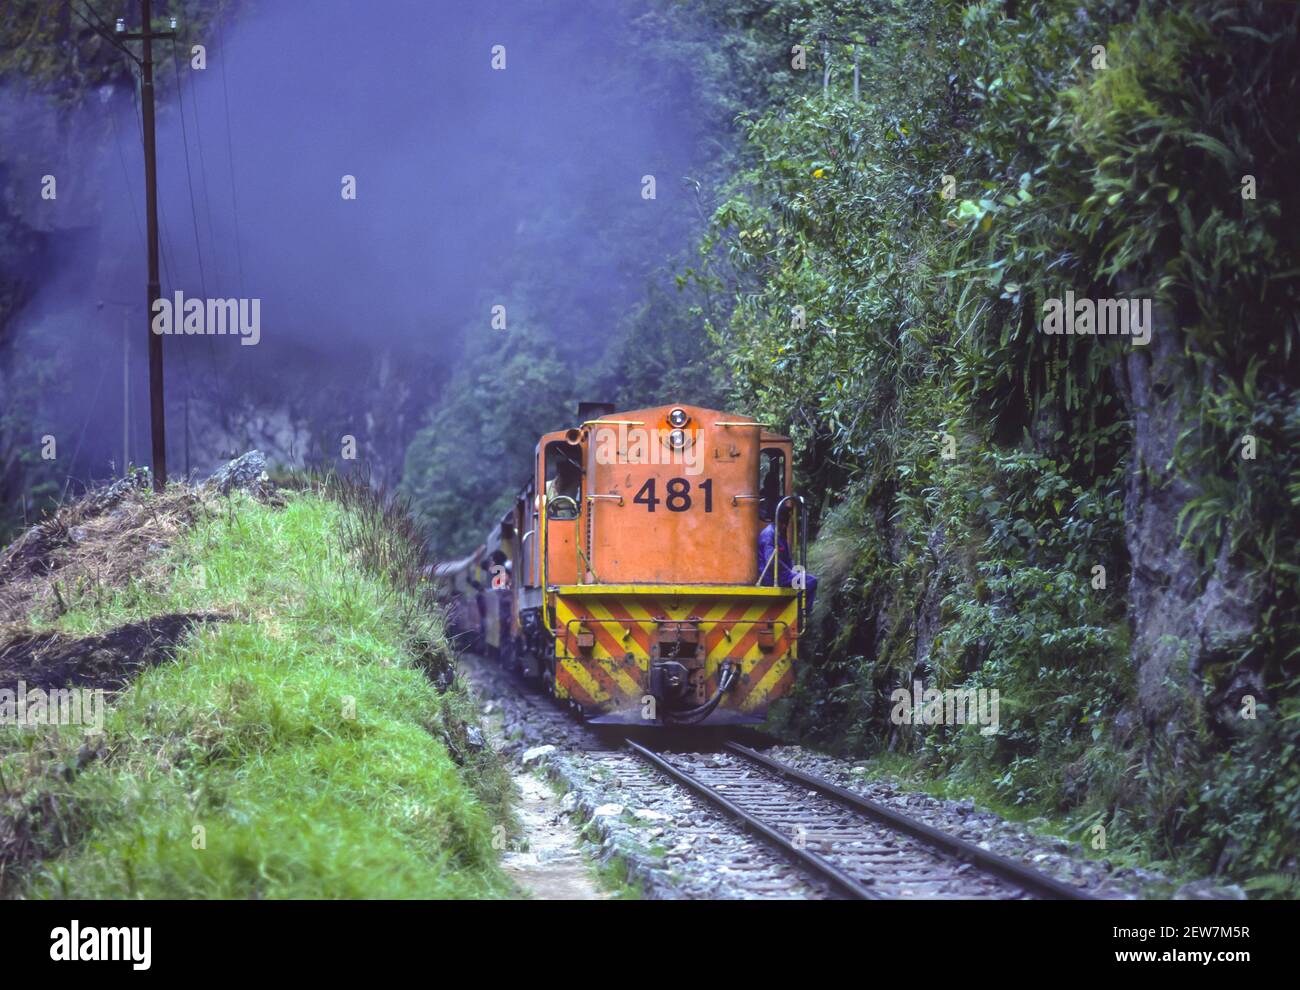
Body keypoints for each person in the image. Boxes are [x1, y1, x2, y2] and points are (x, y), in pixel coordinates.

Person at [758, 500, 817, 616]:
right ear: (782, 522)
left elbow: (787, 558)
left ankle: (798, 610)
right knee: (811, 581)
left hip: (782, 575)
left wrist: (793, 570)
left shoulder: (779, 535)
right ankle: (799, 613)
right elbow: (771, 561)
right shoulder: (769, 535)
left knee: (804, 578)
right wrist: (789, 571)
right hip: (772, 577)